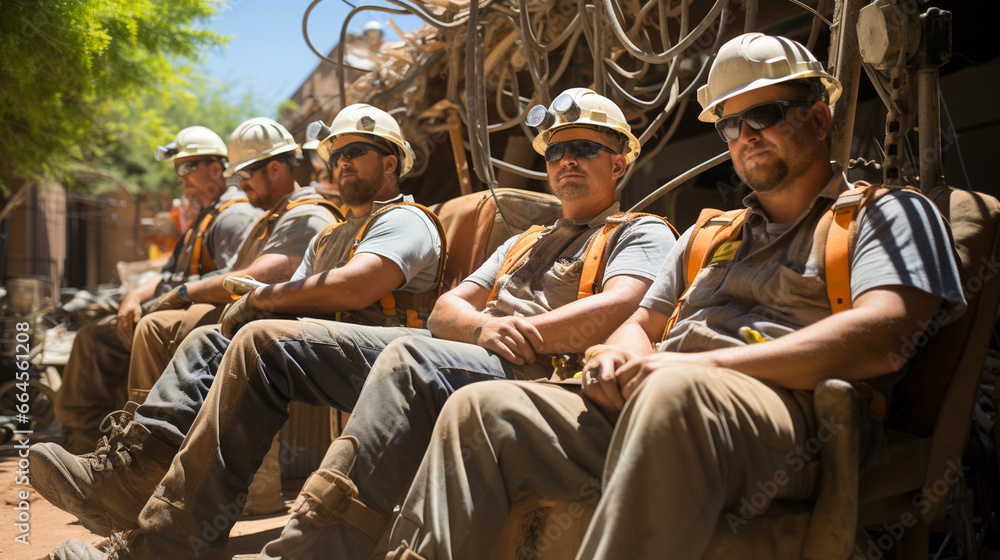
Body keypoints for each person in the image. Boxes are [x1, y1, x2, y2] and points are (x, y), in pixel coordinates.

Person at [380, 33, 969, 560]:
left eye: (764, 113)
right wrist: (614, 355)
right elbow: (640, 322)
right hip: (664, 396)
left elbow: (888, 335)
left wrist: (696, 365)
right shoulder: (709, 234)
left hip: (796, 415)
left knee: (672, 390)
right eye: (731, 125)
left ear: (818, 119)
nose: (747, 135)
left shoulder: (887, 213)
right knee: (482, 410)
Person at [44, 88, 677, 560]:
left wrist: (527, 333)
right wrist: (480, 328)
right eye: (558, 151)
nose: (567, 160)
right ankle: (164, 537)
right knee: (261, 344)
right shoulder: (526, 239)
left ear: (620, 162)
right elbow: (452, 308)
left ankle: (312, 545)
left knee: (408, 359)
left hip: (538, 373)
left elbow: (624, 305)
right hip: (474, 351)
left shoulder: (641, 232)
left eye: (585, 149)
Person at [31, 103, 444, 538]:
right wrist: (254, 306)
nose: (341, 162)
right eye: (334, 154)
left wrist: (261, 298)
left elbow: (355, 287)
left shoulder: (406, 220)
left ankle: (180, 513)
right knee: (209, 340)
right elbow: (298, 295)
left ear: (390, 162)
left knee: (258, 339)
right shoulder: (331, 234)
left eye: (355, 151)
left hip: (391, 354)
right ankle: (137, 473)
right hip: (329, 348)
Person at [53, 126, 261, 453]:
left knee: (103, 339)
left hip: (198, 318)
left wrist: (170, 300)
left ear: (217, 169)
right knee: (94, 331)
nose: (181, 177)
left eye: (187, 167)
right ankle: (91, 443)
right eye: (178, 169)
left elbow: (233, 279)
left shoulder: (234, 216)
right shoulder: (205, 217)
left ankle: (122, 447)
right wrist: (134, 297)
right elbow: (169, 275)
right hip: (171, 306)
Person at [120, 116, 342, 404]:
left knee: (155, 327)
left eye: (246, 175)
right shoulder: (272, 216)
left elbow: (253, 279)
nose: (240, 184)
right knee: (152, 322)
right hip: (254, 318)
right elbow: (234, 271)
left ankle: (147, 437)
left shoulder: (308, 214)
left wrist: (184, 292)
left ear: (274, 169)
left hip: (278, 327)